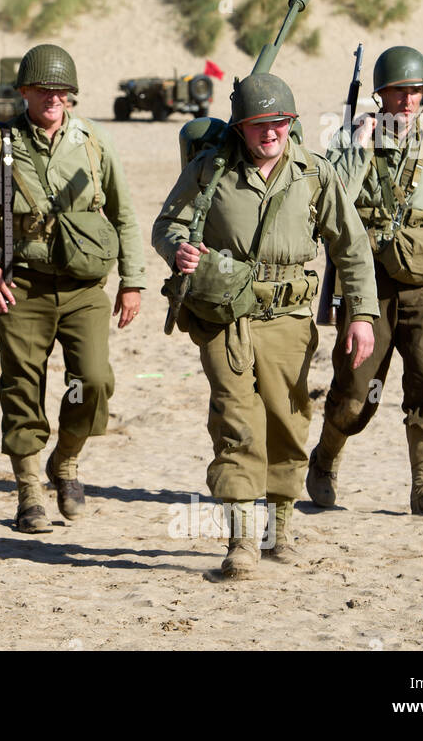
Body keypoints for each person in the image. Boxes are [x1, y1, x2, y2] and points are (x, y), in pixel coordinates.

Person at [152, 73, 378, 579]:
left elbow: (351, 246)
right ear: (241, 128)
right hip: (222, 316)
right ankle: (241, 542)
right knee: (235, 421)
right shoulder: (209, 170)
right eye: (258, 124)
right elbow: (165, 224)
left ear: (291, 124)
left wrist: (360, 315)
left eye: (277, 122)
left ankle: (279, 531)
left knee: (289, 421)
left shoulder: (315, 174)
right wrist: (177, 248)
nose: (269, 132)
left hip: (289, 318)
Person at [0, 44, 147, 534]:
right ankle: (30, 490)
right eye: (43, 89)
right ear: (26, 92)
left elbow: (123, 212)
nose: (53, 97)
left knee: (94, 381)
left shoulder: (94, 142)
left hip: (84, 287)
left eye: (61, 89)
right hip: (20, 285)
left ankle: (67, 463)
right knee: (22, 387)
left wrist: (133, 280)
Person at [307, 46, 423, 519]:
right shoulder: (350, 137)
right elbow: (329, 199)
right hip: (366, 280)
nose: (407, 102)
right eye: (398, 92)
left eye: (415, 92)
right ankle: (324, 460)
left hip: (421, 277)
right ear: (380, 96)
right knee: (356, 391)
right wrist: (357, 146)